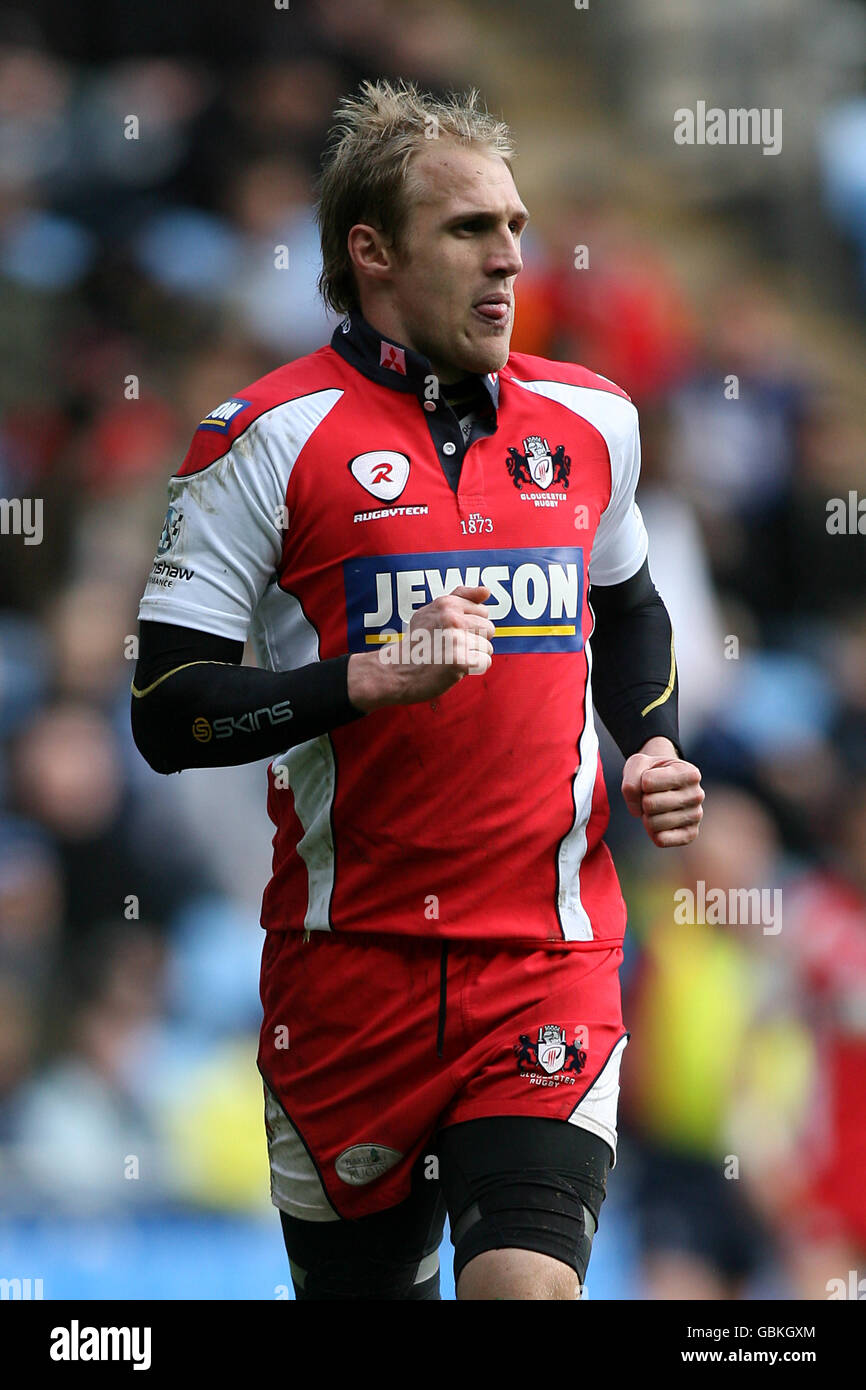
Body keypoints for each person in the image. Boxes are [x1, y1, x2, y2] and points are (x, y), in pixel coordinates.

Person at [131, 79, 704, 1301]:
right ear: (371, 251)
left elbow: (630, 600)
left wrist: (647, 741)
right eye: (469, 231)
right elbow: (168, 708)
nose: (509, 259)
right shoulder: (261, 441)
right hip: (348, 973)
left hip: (544, 953)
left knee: (522, 1287)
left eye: (514, 226)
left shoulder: (590, 418)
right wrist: (363, 680)